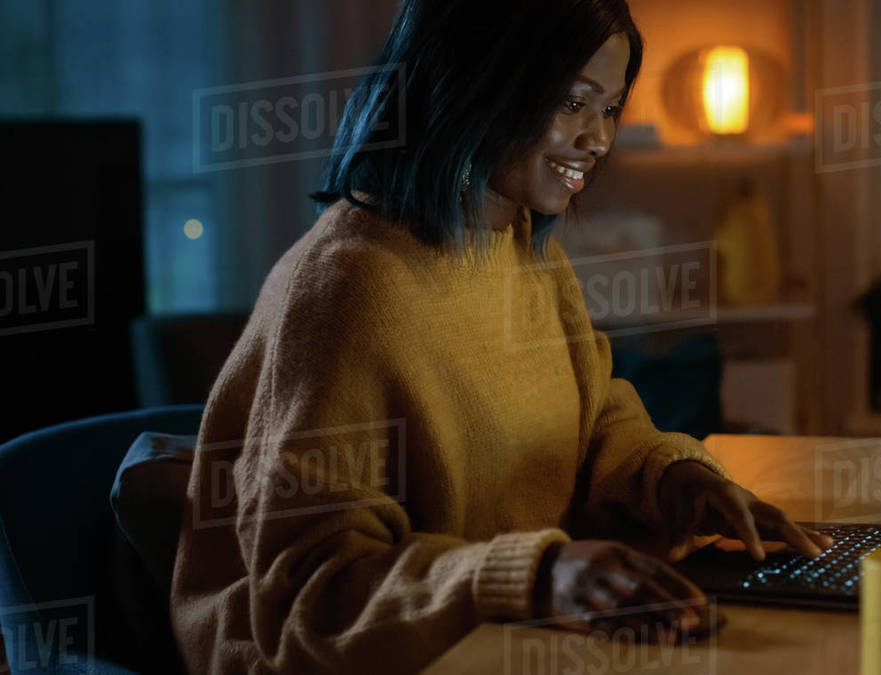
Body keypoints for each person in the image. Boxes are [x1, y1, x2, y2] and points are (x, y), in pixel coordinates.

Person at [169, 1, 831, 672]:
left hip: (508, 640)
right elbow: (308, 596)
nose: (599, 139)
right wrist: (536, 576)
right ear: (478, 83)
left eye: (609, 108)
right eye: (575, 102)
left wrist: (676, 479)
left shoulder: (521, 245)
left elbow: (592, 416)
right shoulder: (348, 285)